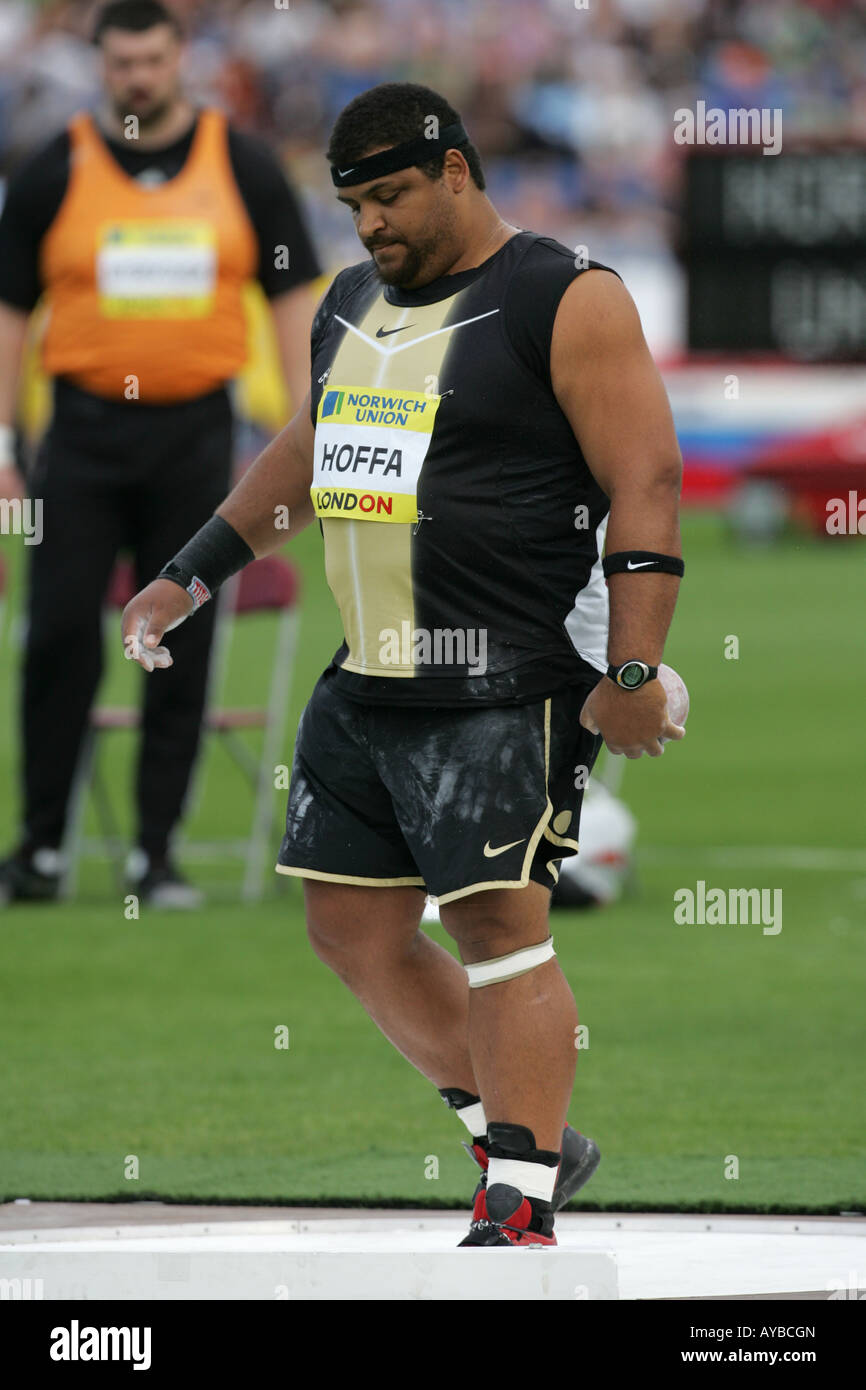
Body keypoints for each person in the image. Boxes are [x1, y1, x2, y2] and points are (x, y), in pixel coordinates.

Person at [121, 82, 685, 1245]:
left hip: (501, 678)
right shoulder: (347, 304)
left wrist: (629, 677)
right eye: (352, 203)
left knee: (496, 930)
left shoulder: (562, 296)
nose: (370, 223)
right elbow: (306, 447)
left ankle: (516, 1206)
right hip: (364, 676)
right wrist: (189, 572)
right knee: (351, 933)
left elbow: (647, 479)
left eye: (389, 196)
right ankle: (527, 1142)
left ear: (456, 172)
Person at [0, 0, 322, 907]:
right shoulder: (53, 165)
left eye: (151, 58)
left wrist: (307, 426)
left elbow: (294, 294)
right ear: (98, 64)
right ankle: (40, 849)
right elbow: (11, 314)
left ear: (181, 56)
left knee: (178, 629)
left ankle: (155, 852)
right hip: (83, 435)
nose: (136, 77)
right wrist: (4, 444)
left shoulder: (245, 166)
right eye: (120, 63)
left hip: (196, 438)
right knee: (60, 633)